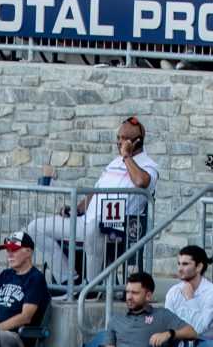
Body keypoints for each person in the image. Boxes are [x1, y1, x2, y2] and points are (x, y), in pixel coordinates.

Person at [36, 119, 159, 292]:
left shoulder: (149, 165)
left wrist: (126, 156)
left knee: (95, 227)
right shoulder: (114, 163)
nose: (118, 141)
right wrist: (75, 209)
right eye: (117, 137)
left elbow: (141, 181)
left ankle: (92, 287)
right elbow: (96, 191)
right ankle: (68, 279)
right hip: (87, 221)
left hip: (116, 228)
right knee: (36, 228)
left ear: (137, 141)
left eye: (124, 138)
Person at [157, 246, 213, 343]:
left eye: (185, 264)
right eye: (179, 264)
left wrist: (190, 299)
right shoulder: (173, 291)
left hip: (202, 344)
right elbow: (167, 323)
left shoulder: (212, 293)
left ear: (199, 267)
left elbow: (198, 329)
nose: (179, 268)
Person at [0, 235, 50, 347]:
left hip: (16, 336)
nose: (9, 255)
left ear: (29, 251)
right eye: (8, 250)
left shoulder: (35, 278)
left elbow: (25, 317)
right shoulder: (5, 274)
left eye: (14, 250)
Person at [105, 271, 173, 347]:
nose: (129, 297)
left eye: (135, 293)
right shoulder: (115, 320)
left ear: (148, 296)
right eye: (127, 292)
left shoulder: (163, 315)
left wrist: (169, 334)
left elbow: (188, 331)